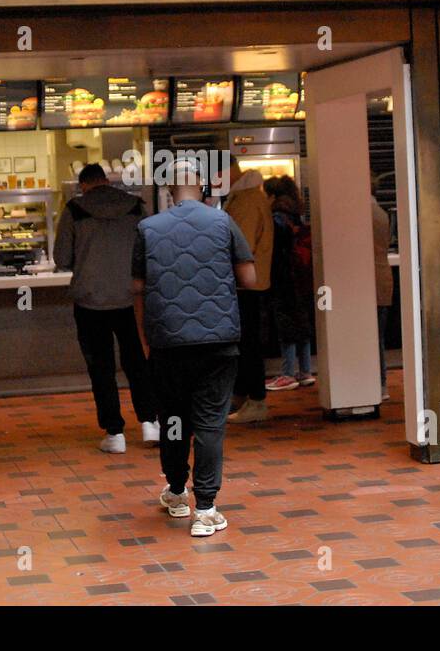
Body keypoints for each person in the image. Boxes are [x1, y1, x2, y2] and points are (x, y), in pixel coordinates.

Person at [132, 156, 256, 537]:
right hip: (217, 343)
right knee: (210, 424)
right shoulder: (222, 222)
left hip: (167, 343)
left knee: (173, 420)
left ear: (168, 191)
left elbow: (137, 290)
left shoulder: (147, 228)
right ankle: (206, 508)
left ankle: (175, 491)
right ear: (202, 186)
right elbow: (249, 278)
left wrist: (146, 339)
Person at [54, 162, 158, 453]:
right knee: (138, 361)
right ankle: (151, 423)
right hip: (131, 297)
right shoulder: (136, 206)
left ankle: (115, 433)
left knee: (101, 367)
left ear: (84, 184)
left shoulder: (75, 209)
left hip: (90, 300)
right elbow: (150, 249)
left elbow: (61, 257)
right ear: (106, 181)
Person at [223, 159, 274, 423]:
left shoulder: (246, 200)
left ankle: (256, 400)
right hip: (250, 282)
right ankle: (244, 395)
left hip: (246, 284)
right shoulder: (247, 196)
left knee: (248, 343)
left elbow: (239, 246)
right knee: (245, 342)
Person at [263, 176, 314, 391]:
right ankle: (305, 371)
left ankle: (287, 373)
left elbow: (274, 252)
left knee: (286, 326)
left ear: (272, 195)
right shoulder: (297, 214)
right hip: (301, 277)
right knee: (302, 324)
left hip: (283, 278)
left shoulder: (276, 218)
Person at [372, 194, 395, 403]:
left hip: (371, 282)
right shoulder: (380, 212)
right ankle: (380, 384)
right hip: (381, 279)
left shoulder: (364, 213)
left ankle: (377, 383)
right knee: (378, 338)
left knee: (373, 339)